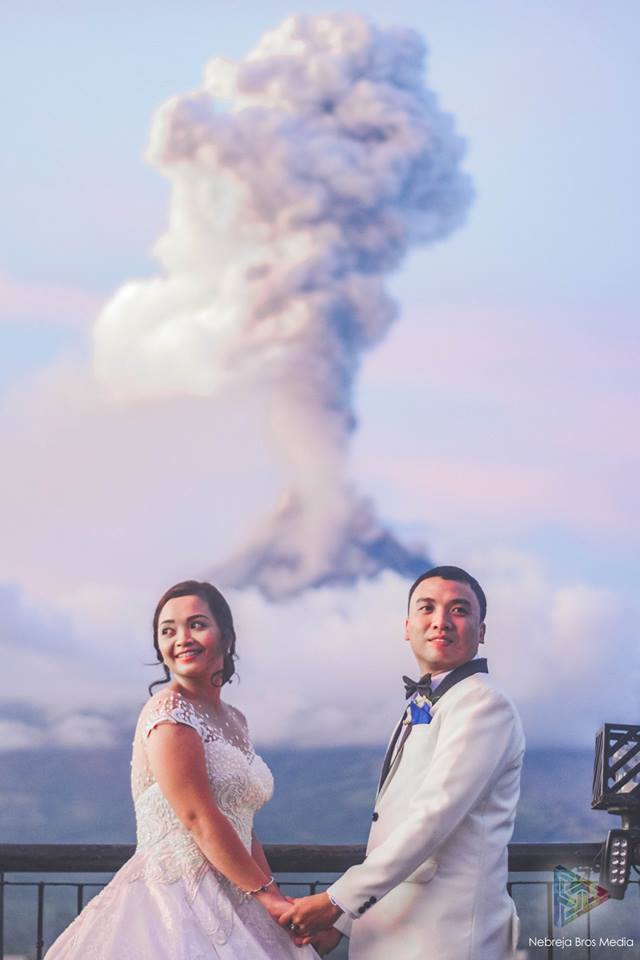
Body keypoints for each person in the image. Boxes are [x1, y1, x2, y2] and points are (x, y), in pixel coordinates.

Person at [45, 579, 331, 959]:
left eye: (196, 624)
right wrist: (267, 897)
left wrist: (272, 898)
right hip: (173, 904)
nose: (182, 638)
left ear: (227, 637)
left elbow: (241, 821)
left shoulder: (236, 720)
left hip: (237, 893)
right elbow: (198, 816)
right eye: (168, 630)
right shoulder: (169, 714)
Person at [280, 565, 525, 959]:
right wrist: (344, 924)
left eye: (459, 610)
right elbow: (392, 825)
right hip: (392, 930)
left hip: (444, 936)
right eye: (427, 608)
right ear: (407, 625)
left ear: (481, 631)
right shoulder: (427, 701)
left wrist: (335, 902)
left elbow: (432, 819)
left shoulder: (484, 704)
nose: (440, 621)